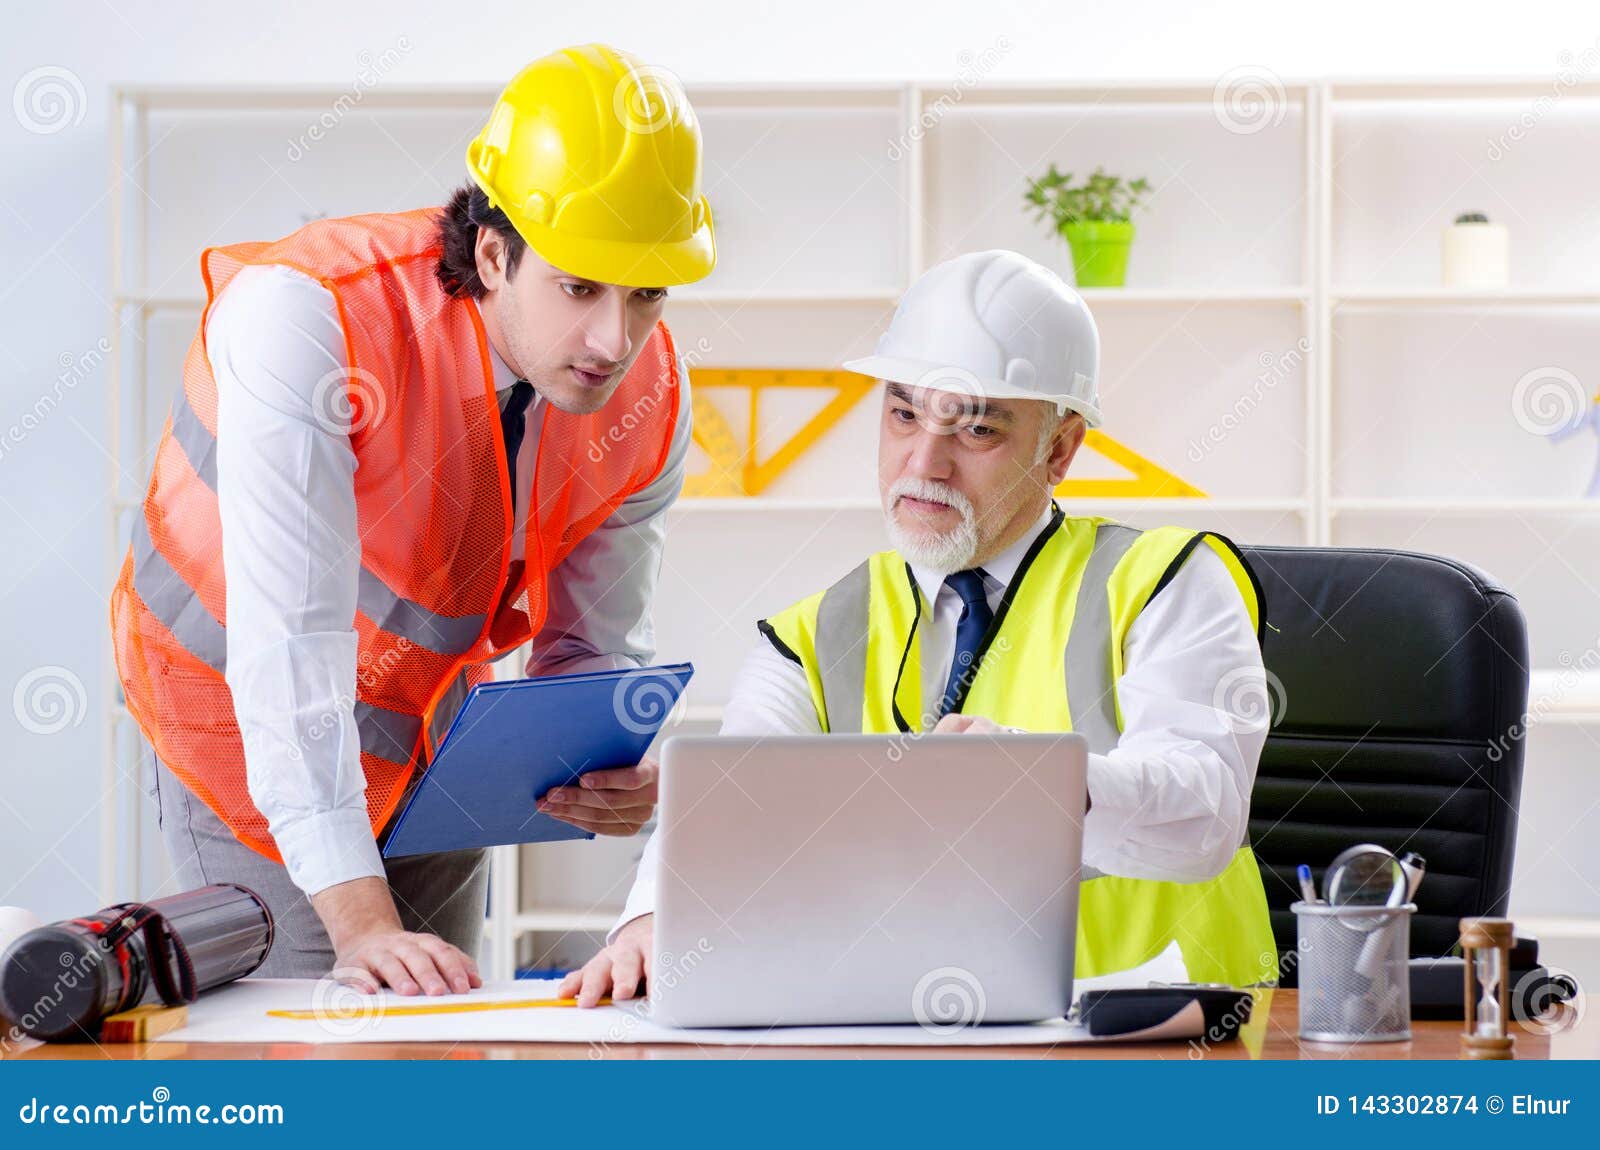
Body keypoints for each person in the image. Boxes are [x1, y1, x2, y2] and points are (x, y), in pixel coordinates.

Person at [111, 44, 715, 994]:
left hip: (432, 761)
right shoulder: (310, 320)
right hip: (245, 732)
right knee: (338, 1046)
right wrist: (359, 924)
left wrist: (605, 763)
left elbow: (594, 642)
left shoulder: (653, 393)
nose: (615, 341)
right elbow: (288, 648)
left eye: (645, 294)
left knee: (440, 1038)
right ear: (492, 251)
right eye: (579, 287)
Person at [562, 249, 1277, 1007]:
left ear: (1059, 449)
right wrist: (650, 917)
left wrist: (1043, 785)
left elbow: (1204, 818)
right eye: (903, 414)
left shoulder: (1166, 582)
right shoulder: (812, 636)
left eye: (975, 430)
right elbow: (730, 802)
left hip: (1165, 1042)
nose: (923, 463)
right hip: (915, 1042)